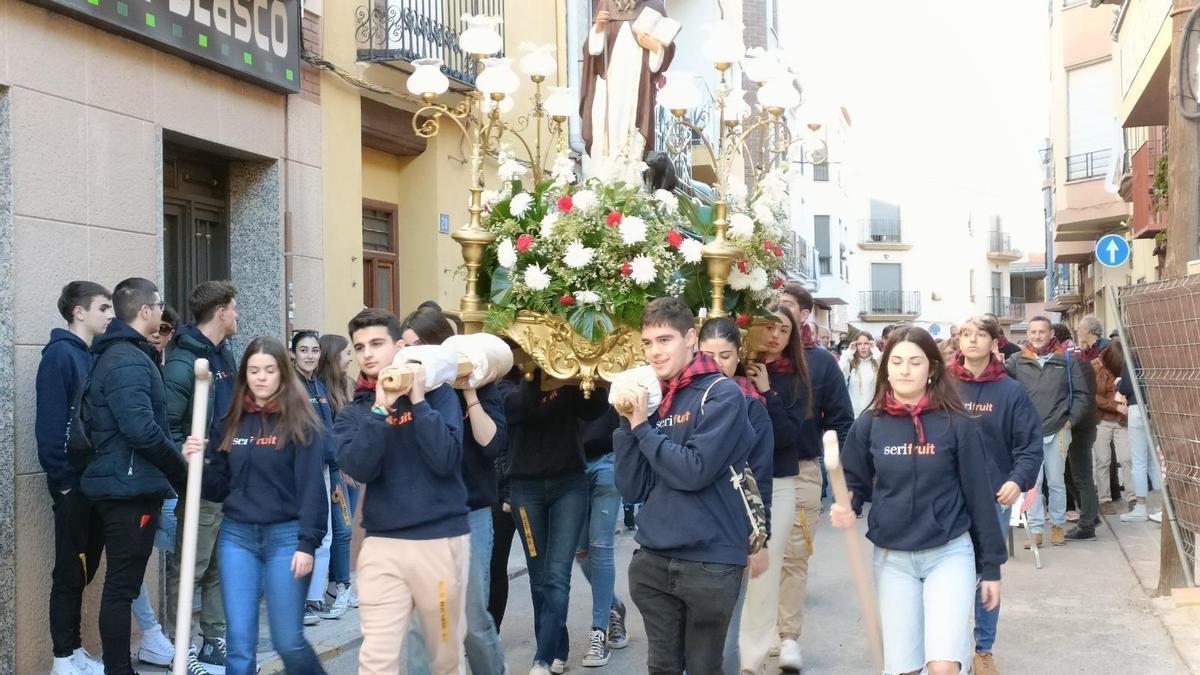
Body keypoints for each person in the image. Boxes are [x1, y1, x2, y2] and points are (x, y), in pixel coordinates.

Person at [830, 325, 1007, 675]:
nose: (905, 370)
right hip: (892, 557)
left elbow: (980, 496)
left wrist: (991, 568)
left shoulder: (958, 424)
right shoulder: (869, 424)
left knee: (943, 667)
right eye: (896, 362)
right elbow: (854, 481)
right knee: (904, 669)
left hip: (949, 553)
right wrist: (846, 502)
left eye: (914, 361)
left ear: (932, 369)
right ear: (886, 368)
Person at [613, 297, 753, 675]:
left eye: (664, 340)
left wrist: (643, 427)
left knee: (705, 668)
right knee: (662, 668)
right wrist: (627, 426)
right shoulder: (653, 397)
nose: (654, 352)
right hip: (654, 561)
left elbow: (694, 471)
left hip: (710, 563)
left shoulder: (722, 395)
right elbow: (632, 488)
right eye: (647, 343)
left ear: (690, 339)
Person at [182, 337, 329, 675]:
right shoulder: (229, 421)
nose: (261, 377)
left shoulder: (300, 423)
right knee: (239, 646)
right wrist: (197, 462)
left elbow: (312, 490)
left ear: (282, 373)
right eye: (253, 370)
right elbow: (218, 488)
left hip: (287, 540)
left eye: (269, 370)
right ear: (244, 374)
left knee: (288, 641)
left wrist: (308, 543)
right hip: (238, 540)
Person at [336, 308, 470, 675]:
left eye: (377, 343)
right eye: (360, 346)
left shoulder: (438, 394)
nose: (367, 354)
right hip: (381, 545)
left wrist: (418, 399)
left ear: (398, 346)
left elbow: (445, 459)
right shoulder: (354, 413)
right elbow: (359, 468)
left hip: (439, 541)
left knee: (444, 658)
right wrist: (381, 410)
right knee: (376, 660)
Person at [79, 277, 188, 675]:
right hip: (126, 489)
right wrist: (181, 472)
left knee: (121, 586)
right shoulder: (126, 358)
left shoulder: (130, 354)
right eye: (158, 305)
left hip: (127, 485)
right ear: (145, 311)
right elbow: (140, 429)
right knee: (121, 588)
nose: (161, 312)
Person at [401, 307, 508, 675]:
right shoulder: (409, 389)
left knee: (472, 622)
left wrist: (471, 393)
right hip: (423, 517)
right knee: (420, 623)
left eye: (418, 346)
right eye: (406, 346)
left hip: (470, 513)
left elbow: (492, 445)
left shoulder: (477, 382)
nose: (412, 355)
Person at [752, 288, 854, 672]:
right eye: (769, 326)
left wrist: (843, 477)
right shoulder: (743, 364)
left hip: (803, 469)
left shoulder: (819, 364)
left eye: (784, 327)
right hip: (752, 473)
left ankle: (788, 637)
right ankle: (760, 635)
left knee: (793, 555)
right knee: (759, 557)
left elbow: (843, 421)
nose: (776, 334)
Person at [949, 315, 1043, 675]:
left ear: (994, 342)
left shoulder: (1011, 391)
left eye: (981, 335)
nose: (972, 340)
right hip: (946, 497)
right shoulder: (942, 386)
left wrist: (1018, 480)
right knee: (952, 574)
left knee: (987, 570)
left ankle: (983, 649)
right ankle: (949, 647)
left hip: (993, 498)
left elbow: (1030, 446)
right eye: (965, 334)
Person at [504, 361, 608, 674]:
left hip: (569, 485)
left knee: (558, 574)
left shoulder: (569, 368)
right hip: (525, 488)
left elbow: (593, 409)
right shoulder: (506, 373)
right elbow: (515, 409)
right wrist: (533, 374)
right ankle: (556, 647)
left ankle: (543, 658)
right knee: (539, 578)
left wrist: (580, 372)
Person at [162, 280, 239, 671]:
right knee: (190, 567)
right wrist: (188, 463)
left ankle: (213, 639)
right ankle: (182, 647)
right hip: (201, 485)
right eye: (234, 308)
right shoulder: (184, 362)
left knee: (218, 566)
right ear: (222, 311)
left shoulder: (223, 354)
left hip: (228, 480)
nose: (237, 315)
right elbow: (169, 427)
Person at [38, 281, 113, 675]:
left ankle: (74, 650)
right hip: (73, 485)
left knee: (86, 570)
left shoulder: (91, 356)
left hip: (95, 484)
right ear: (79, 312)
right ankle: (63, 659)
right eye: (103, 308)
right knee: (69, 572)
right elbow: (50, 427)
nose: (110, 314)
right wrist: (65, 482)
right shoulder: (60, 357)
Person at [696, 317, 774, 675]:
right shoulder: (674, 401)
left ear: (738, 356)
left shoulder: (752, 407)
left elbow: (759, 479)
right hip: (682, 534)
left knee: (722, 638)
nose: (715, 364)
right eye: (707, 354)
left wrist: (759, 540)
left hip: (730, 536)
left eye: (724, 356)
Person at [1004, 316, 1091, 547]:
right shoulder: (1017, 361)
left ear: (1051, 334)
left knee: (1056, 482)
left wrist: (1070, 421)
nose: (1037, 336)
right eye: (1033, 332)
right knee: (1032, 484)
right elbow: (998, 381)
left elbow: (1082, 394)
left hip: (1059, 430)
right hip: (1028, 433)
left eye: (1042, 331)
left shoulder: (1067, 359)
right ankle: (1036, 531)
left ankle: (1058, 527)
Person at [579, 0, 676, 161]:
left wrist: (655, 47)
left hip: (637, 81)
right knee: (605, 119)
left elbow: (667, 45)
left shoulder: (654, 5)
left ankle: (630, 159)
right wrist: (598, 29)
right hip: (609, 79)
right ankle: (606, 157)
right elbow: (591, 52)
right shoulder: (606, 4)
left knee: (631, 119)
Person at [290, 330, 341, 624]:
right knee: (303, 533)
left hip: (324, 467)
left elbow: (329, 431)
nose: (310, 355)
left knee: (326, 532)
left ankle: (315, 596)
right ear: (294, 354)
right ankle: (299, 601)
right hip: (300, 471)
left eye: (315, 350)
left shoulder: (319, 386)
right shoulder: (291, 387)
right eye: (304, 350)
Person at [575, 408, 629, 667]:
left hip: (607, 458)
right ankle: (614, 605)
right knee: (582, 553)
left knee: (601, 547)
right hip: (570, 463)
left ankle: (599, 631)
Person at [316, 333, 359, 612]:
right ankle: (341, 585)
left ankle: (337, 585)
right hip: (337, 471)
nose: (351, 357)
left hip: (354, 468)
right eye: (346, 353)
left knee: (346, 526)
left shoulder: (350, 385)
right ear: (333, 358)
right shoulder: (322, 391)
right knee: (341, 529)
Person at [1117, 361, 1163, 523]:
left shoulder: (1131, 357)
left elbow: (1126, 388)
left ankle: (1141, 506)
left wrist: (1119, 384)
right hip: (1156, 406)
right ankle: (1161, 506)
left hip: (1137, 407)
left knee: (1139, 461)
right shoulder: (1154, 354)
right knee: (1153, 460)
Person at [1093, 340, 1130, 515]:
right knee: (1103, 460)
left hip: (1122, 421)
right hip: (1102, 420)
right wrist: (1115, 406)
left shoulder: (1126, 365)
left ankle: (1133, 498)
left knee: (1127, 458)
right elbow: (1092, 396)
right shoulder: (1095, 367)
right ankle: (1104, 499)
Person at [840, 332, 881, 418]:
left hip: (872, 415)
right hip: (851, 415)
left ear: (871, 345)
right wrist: (848, 354)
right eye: (859, 344)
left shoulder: (877, 364)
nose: (863, 347)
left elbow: (886, 372)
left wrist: (877, 354)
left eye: (866, 343)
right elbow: (839, 376)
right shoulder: (850, 363)